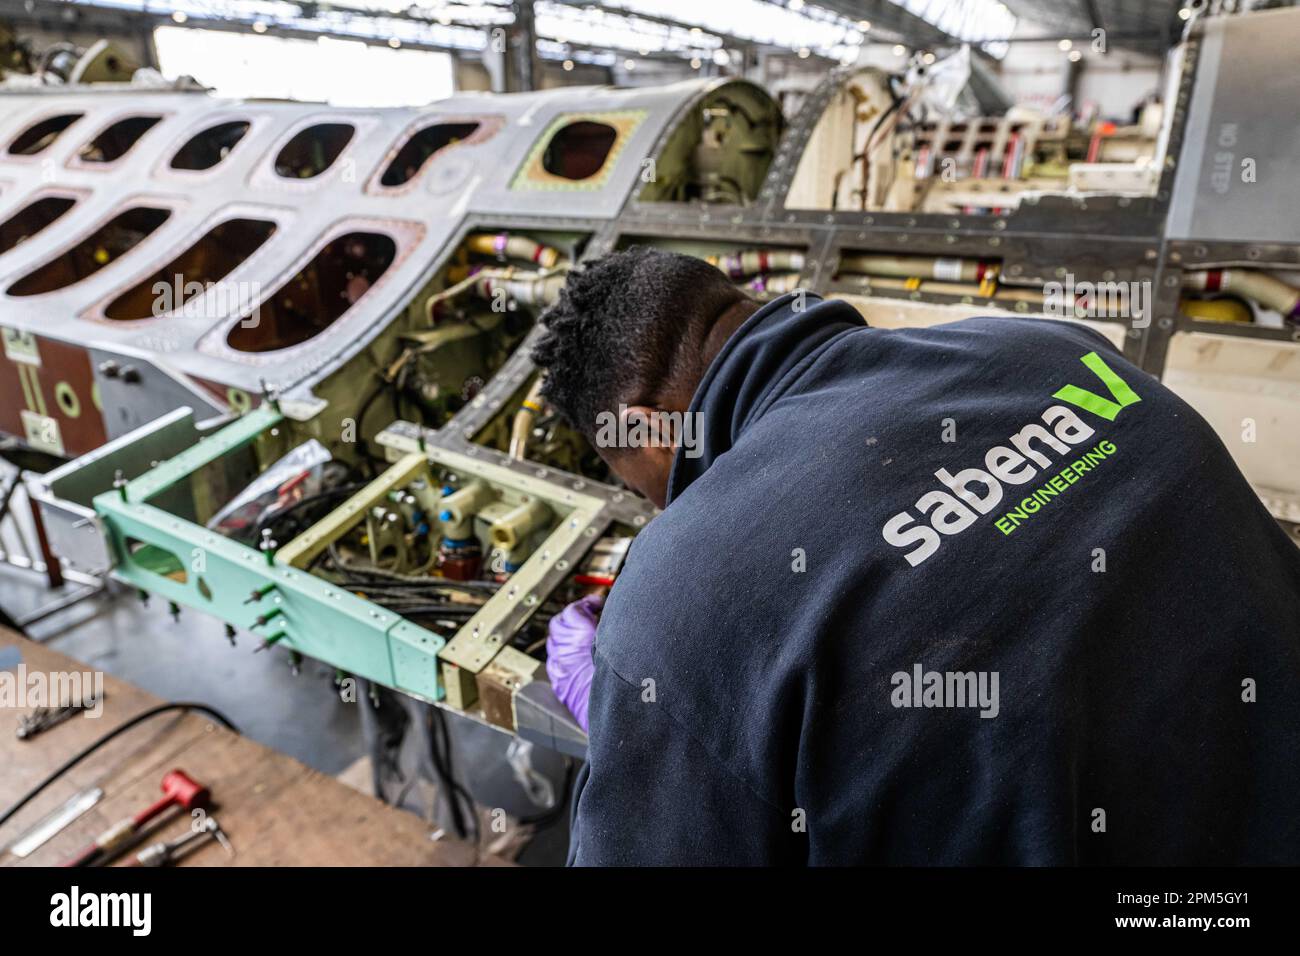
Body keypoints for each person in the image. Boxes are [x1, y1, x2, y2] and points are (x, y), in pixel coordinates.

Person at [535, 246, 1300, 865]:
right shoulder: (1047, 344)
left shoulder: (678, 595)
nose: (658, 504)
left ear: (643, 427)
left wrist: (642, 699)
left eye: (635, 478)